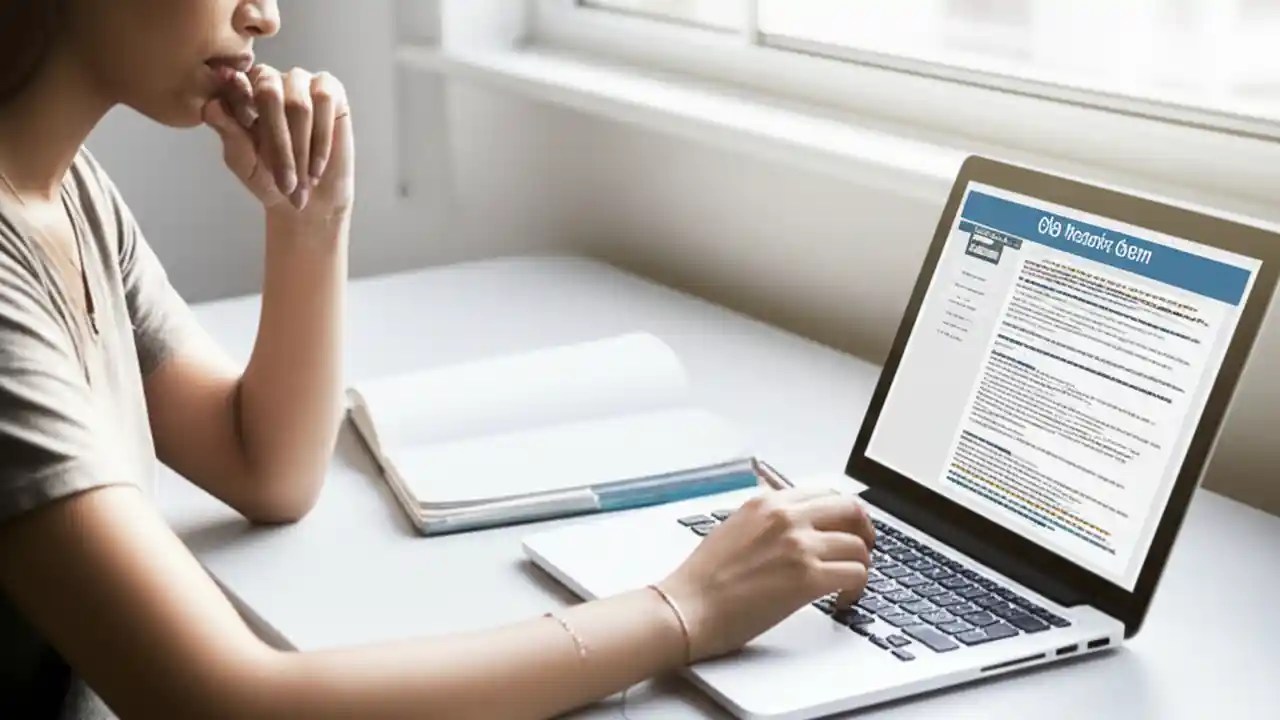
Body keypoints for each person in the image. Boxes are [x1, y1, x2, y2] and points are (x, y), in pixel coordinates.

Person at [0, 1, 875, 718]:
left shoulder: (66, 190)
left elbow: (263, 463)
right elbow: (222, 704)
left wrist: (311, 221)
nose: (262, 16)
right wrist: (685, 609)